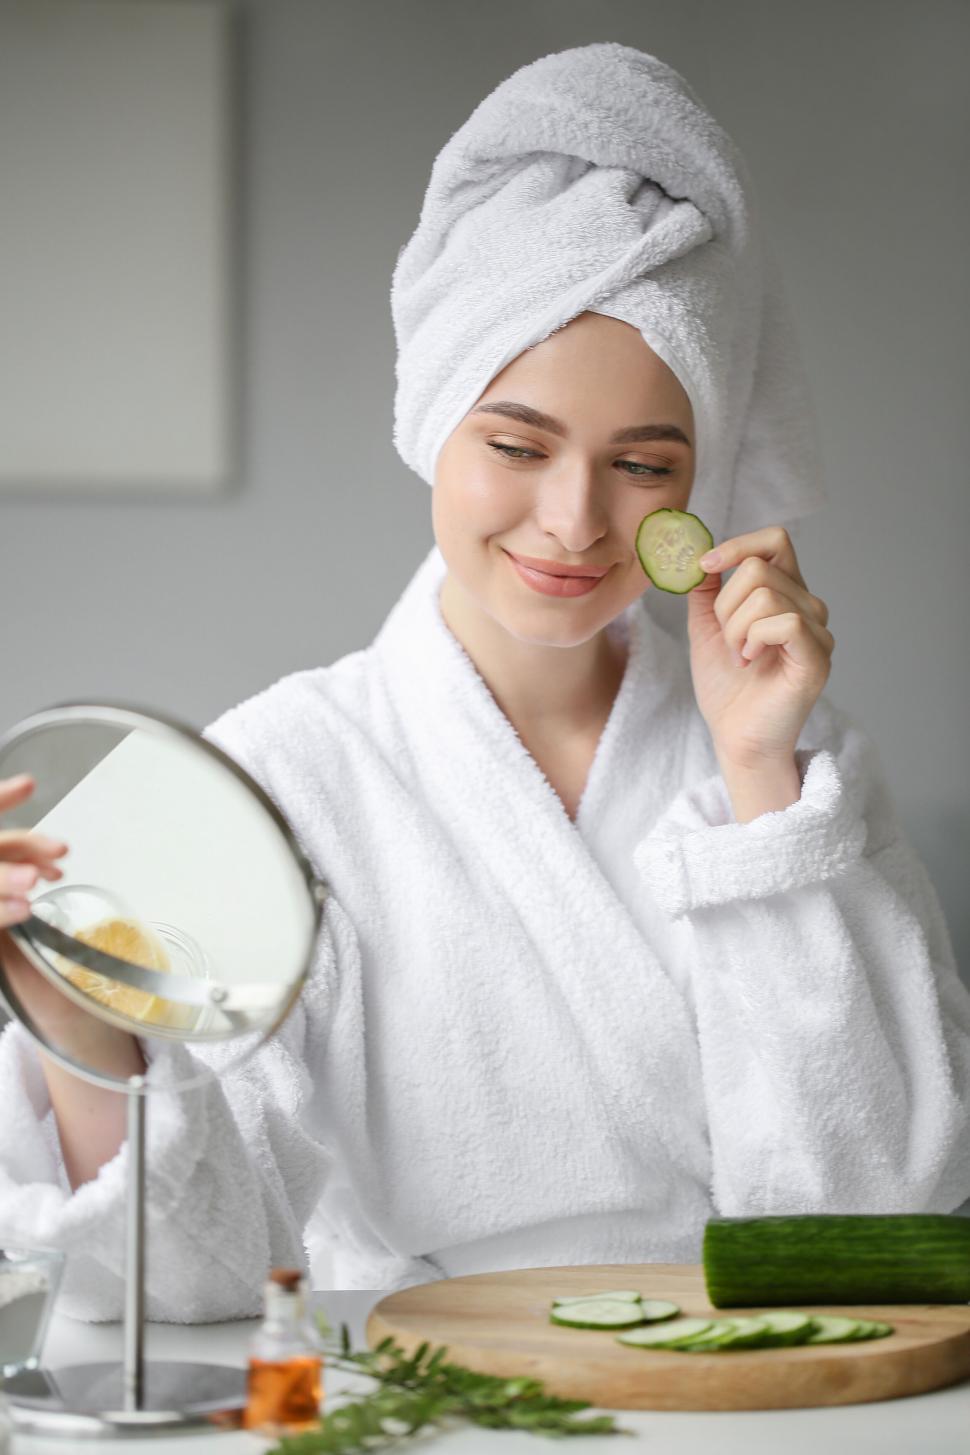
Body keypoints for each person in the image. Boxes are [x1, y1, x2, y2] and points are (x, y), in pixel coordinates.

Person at [1, 44, 969, 1323]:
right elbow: (193, 1277)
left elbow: (878, 1231)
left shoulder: (797, 765)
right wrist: (67, 1010)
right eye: (516, 443)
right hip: (425, 1393)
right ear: (432, 426)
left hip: (761, 1393)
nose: (572, 521)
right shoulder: (284, 770)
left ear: (701, 483)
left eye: (643, 464)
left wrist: (760, 790)